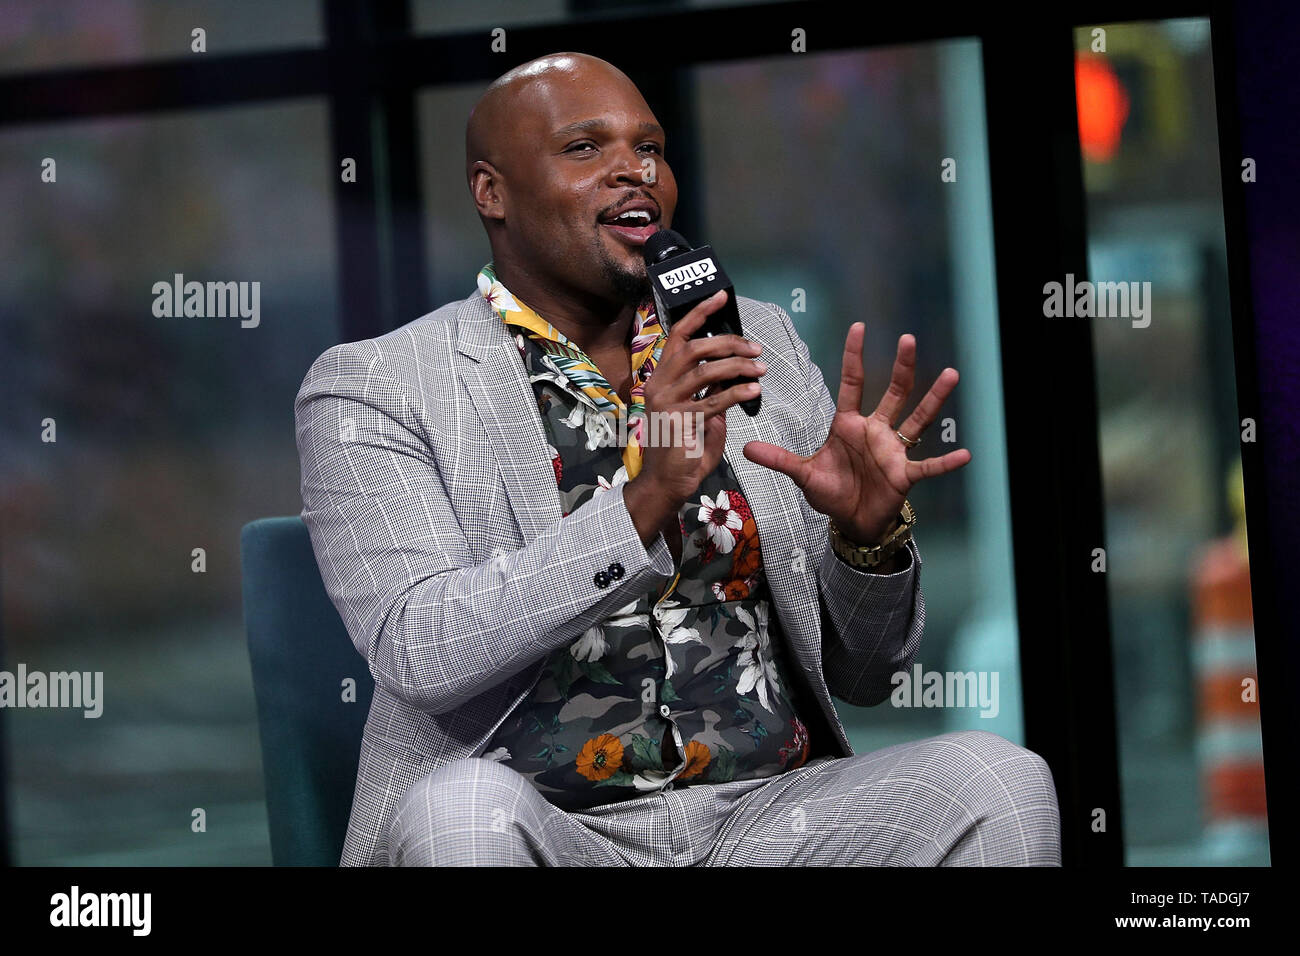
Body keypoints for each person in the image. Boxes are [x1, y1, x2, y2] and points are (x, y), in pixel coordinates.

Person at [294, 51, 1061, 866]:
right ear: (492, 192)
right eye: (585, 150)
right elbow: (422, 646)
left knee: (995, 781)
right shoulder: (379, 386)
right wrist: (643, 499)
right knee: (462, 812)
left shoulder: (750, 343)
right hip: (546, 826)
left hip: (769, 820)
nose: (633, 171)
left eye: (649, 149)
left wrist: (865, 543)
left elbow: (867, 673)